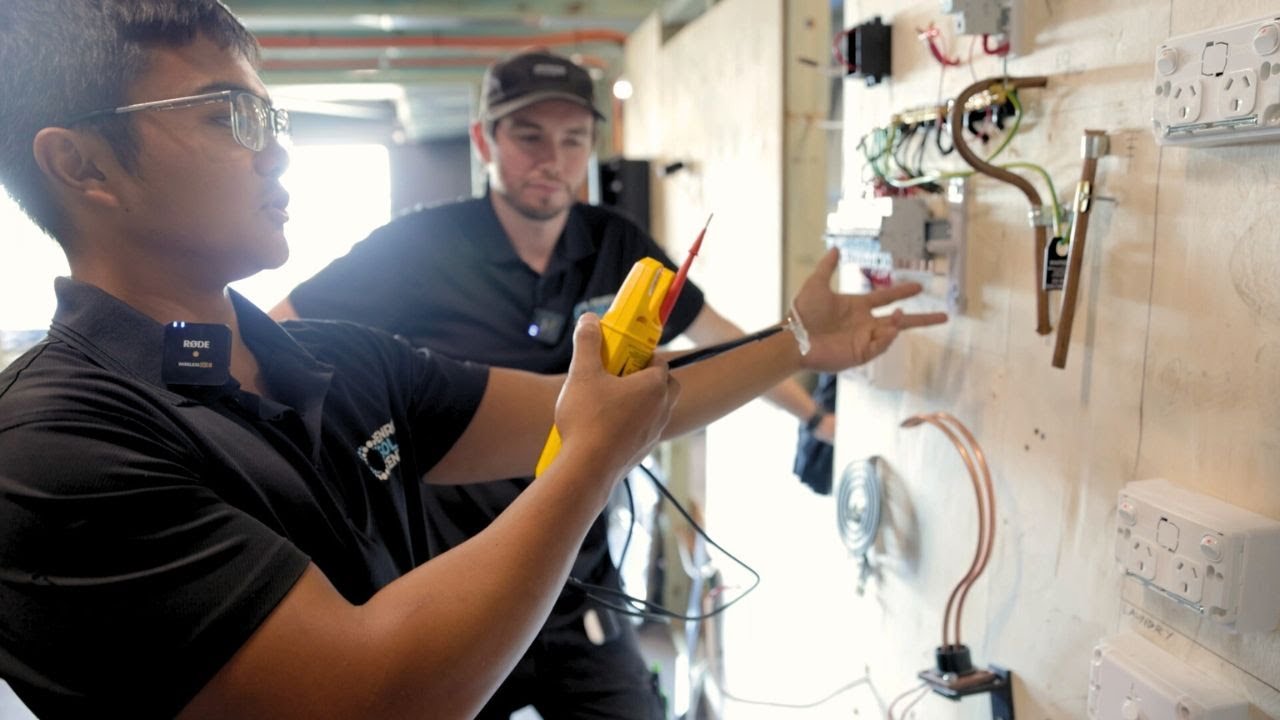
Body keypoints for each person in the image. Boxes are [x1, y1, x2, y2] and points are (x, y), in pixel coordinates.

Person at [0, 3, 946, 718]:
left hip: (557, 595)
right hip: (460, 620)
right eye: (228, 119)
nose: (276, 159)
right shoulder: (52, 448)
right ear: (83, 167)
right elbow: (379, 697)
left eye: (273, 123)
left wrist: (797, 344)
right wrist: (587, 461)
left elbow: (595, 406)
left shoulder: (337, 367)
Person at [270, 49, 840, 718]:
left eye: (573, 139)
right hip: (453, 583)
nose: (554, 159)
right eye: (529, 135)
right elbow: (278, 335)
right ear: (485, 139)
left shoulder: (616, 245)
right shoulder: (417, 246)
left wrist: (815, 417)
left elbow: (721, 340)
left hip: (579, 579)